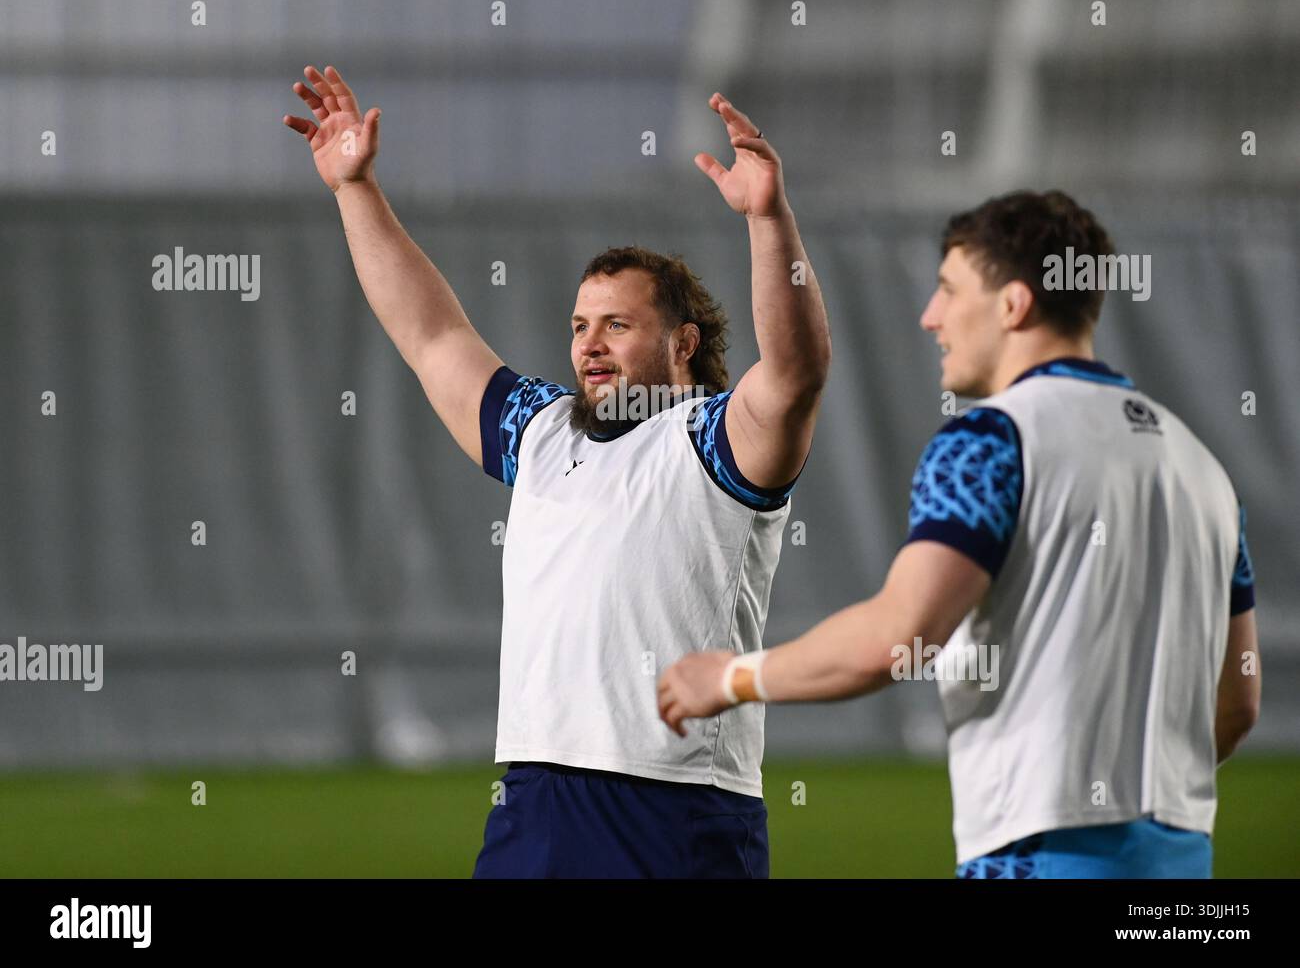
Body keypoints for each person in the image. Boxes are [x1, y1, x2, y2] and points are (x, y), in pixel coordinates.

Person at [284, 65, 831, 877]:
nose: (590, 343)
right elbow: (432, 335)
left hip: (677, 809)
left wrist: (768, 219)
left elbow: (795, 373)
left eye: (618, 323)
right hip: (534, 801)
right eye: (580, 324)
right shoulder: (542, 430)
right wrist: (354, 188)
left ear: (683, 343)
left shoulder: (715, 441)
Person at [658, 190, 1260, 879]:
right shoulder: (1203, 467)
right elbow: (1238, 702)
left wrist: (732, 675)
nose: (930, 315)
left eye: (948, 289)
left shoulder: (989, 439)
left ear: (1013, 305)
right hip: (1182, 868)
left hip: (1036, 858)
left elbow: (900, 636)